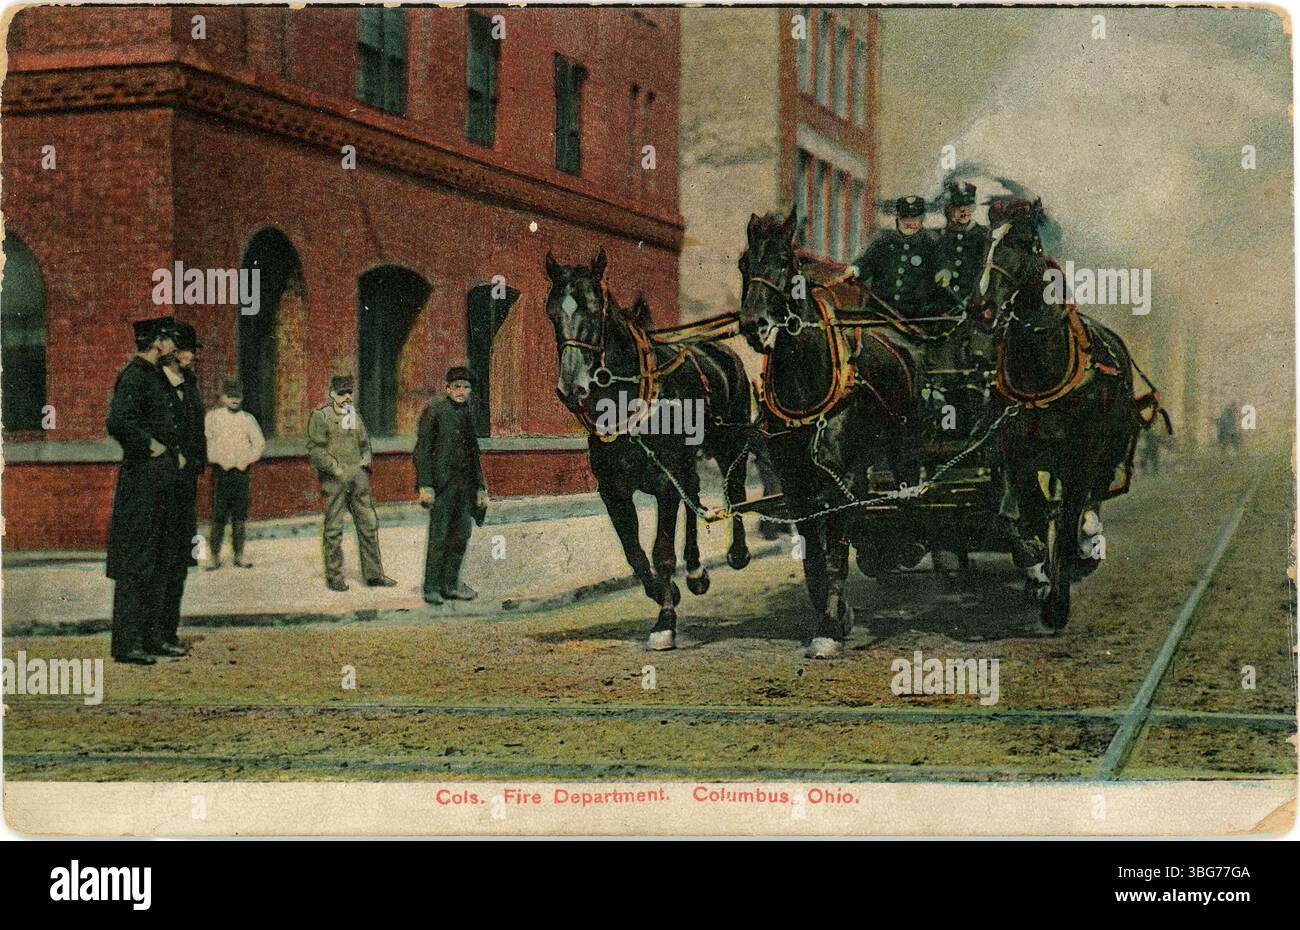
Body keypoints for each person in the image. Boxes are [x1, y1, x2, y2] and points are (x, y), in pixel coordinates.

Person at [105, 316, 186, 664]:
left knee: (159, 558)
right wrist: (150, 445)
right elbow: (118, 421)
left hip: (161, 482)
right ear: (156, 341)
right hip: (140, 483)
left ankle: (152, 637)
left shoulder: (156, 376)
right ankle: (127, 643)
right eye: (169, 338)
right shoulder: (135, 376)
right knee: (136, 562)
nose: (172, 344)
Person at [306, 375, 396, 591]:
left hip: (358, 481)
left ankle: (374, 575)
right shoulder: (321, 416)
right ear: (331, 394)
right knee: (334, 529)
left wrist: (364, 463)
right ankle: (335, 577)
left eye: (349, 393)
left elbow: (365, 445)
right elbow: (316, 450)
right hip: (335, 482)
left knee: (368, 525)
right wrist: (335, 468)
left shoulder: (354, 416)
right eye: (341, 393)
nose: (346, 397)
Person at [413, 366, 488, 604]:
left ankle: (451, 584)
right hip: (442, 486)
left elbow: (473, 453)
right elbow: (422, 451)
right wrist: (425, 485)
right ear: (447, 388)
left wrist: (480, 488)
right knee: (440, 535)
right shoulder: (435, 410)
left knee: (461, 535)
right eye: (457, 387)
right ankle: (432, 588)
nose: (462, 391)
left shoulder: (467, 413)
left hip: (464, 486)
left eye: (466, 387)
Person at [155, 321, 206, 653]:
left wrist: (196, 464)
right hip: (162, 490)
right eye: (189, 350)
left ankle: (169, 632)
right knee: (162, 562)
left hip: (185, 489)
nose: (193, 357)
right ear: (173, 351)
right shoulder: (155, 386)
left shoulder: (190, 386)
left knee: (180, 563)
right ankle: (156, 634)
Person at [205, 377, 265, 569]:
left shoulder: (247, 419)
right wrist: (216, 458)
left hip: (241, 472)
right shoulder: (213, 417)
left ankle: (239, 554)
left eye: (237, 397)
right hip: (221, 472)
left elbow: (259, 443)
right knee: (218, 516)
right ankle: (214, 555)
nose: (234, 400)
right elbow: (208, 439)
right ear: (222, 397)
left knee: (239, 516)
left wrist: (246, 460)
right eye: (230, 396)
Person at [847, 195, 936, 318]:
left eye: (914, 218)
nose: (909, 222)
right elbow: (866, 263)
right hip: (878, 314)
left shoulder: (931, 246)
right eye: (904, 218)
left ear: (922, 219)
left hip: (914, 318)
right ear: (897, 219)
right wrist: (856, 269)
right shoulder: (884, 242)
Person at [931, 180, 990, 312]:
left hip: (974, 300)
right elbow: (938, 259)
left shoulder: (983, 235)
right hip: (946, 301)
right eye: (958, 207)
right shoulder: (944, 236)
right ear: (951, 210)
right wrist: (943, 270)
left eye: (967, 206)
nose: (963, 211)